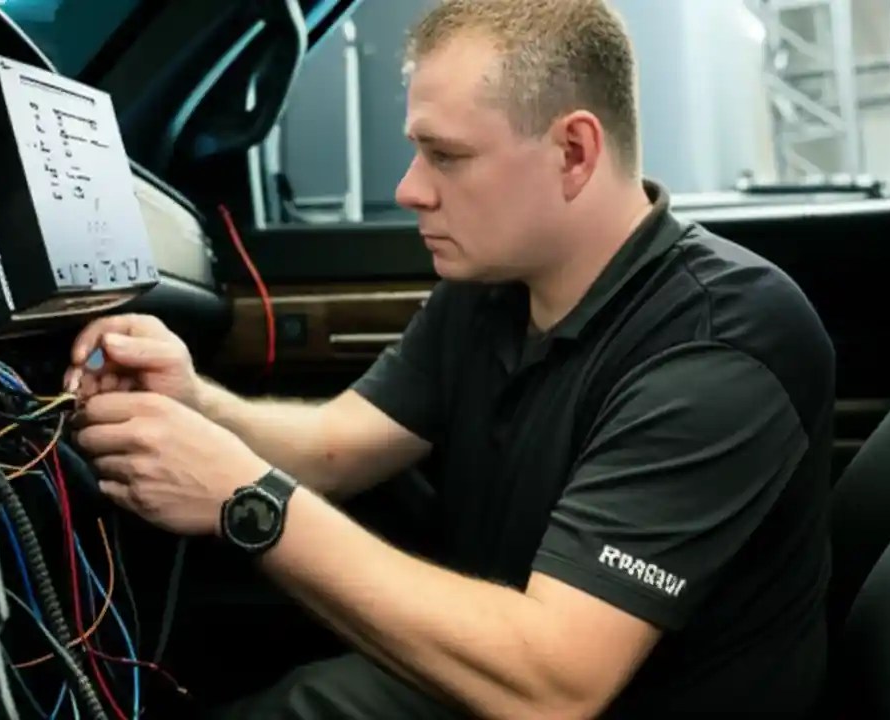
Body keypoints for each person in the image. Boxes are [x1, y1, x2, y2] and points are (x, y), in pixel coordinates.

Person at [65, 0, 835, 717]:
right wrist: (197, 403)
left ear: (573, 152)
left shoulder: (719, 345)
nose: (409, 189)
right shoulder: (494, 288)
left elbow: (555, 686)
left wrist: (245, 500)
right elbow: (336, 446)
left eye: (447, 156)